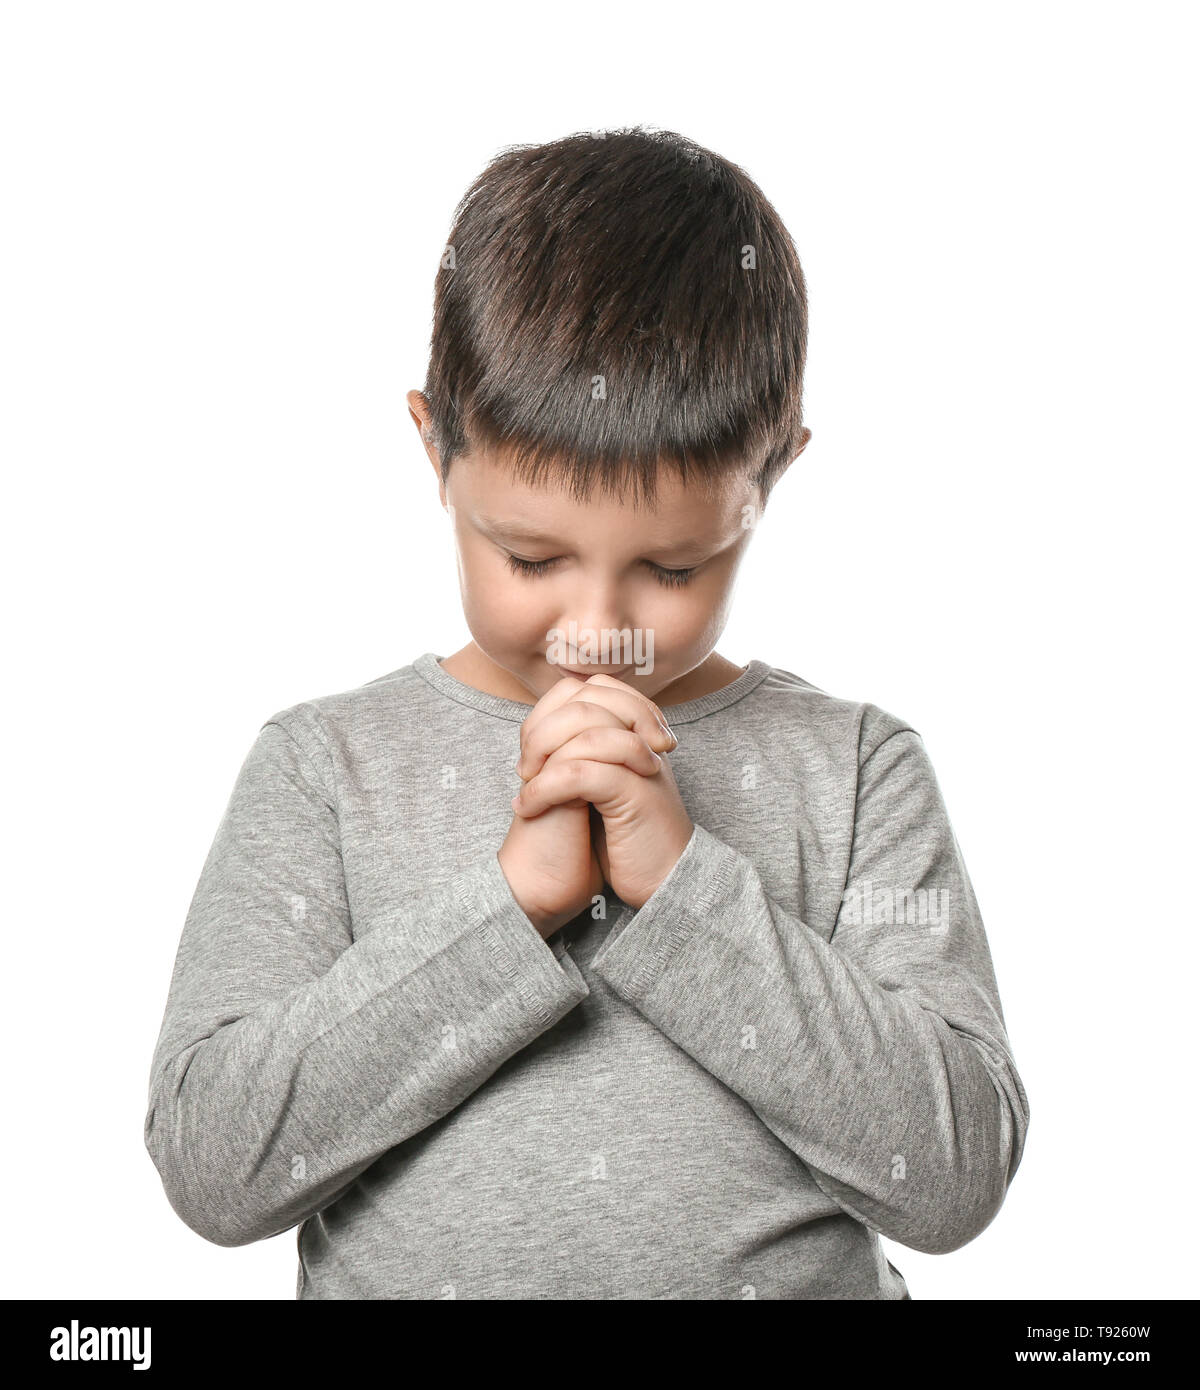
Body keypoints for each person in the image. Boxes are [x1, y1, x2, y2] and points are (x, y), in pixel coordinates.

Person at [143, 126, 1029, 1299]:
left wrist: (688, 894)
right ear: (434, 451)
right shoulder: (324, 768)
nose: (596, 627)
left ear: (770, 481)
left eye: (671, 570)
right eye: (529, 554)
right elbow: (215, 1166)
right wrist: (509, 910)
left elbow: (956, 1175)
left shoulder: (859, 770)